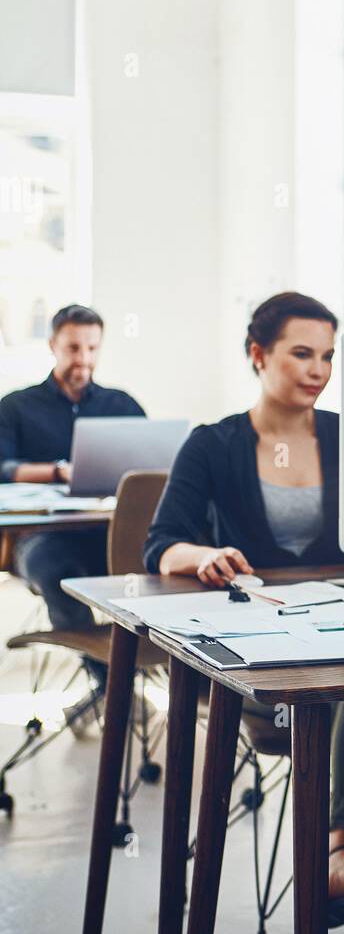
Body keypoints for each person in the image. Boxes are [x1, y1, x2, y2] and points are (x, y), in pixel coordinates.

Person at [143, 291, 344, 929]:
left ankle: (343, 862)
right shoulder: (213, 445)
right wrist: (202, 555)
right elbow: (161, 544)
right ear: (257, 354)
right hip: (265, 662)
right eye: (301, 353)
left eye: (328, 356)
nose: (318, 371)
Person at [1, 305, 145, 714]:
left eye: (92, 348)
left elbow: (150, 467)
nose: (83, 358)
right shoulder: (16, 407)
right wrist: (57, 472)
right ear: (53, 346)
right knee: (54, 569)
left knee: (151, 562)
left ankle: (147, 666)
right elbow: (3, 468)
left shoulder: (121, 405)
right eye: (73, 348)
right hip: (41, 539)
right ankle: (109, 680)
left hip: (108, 532)